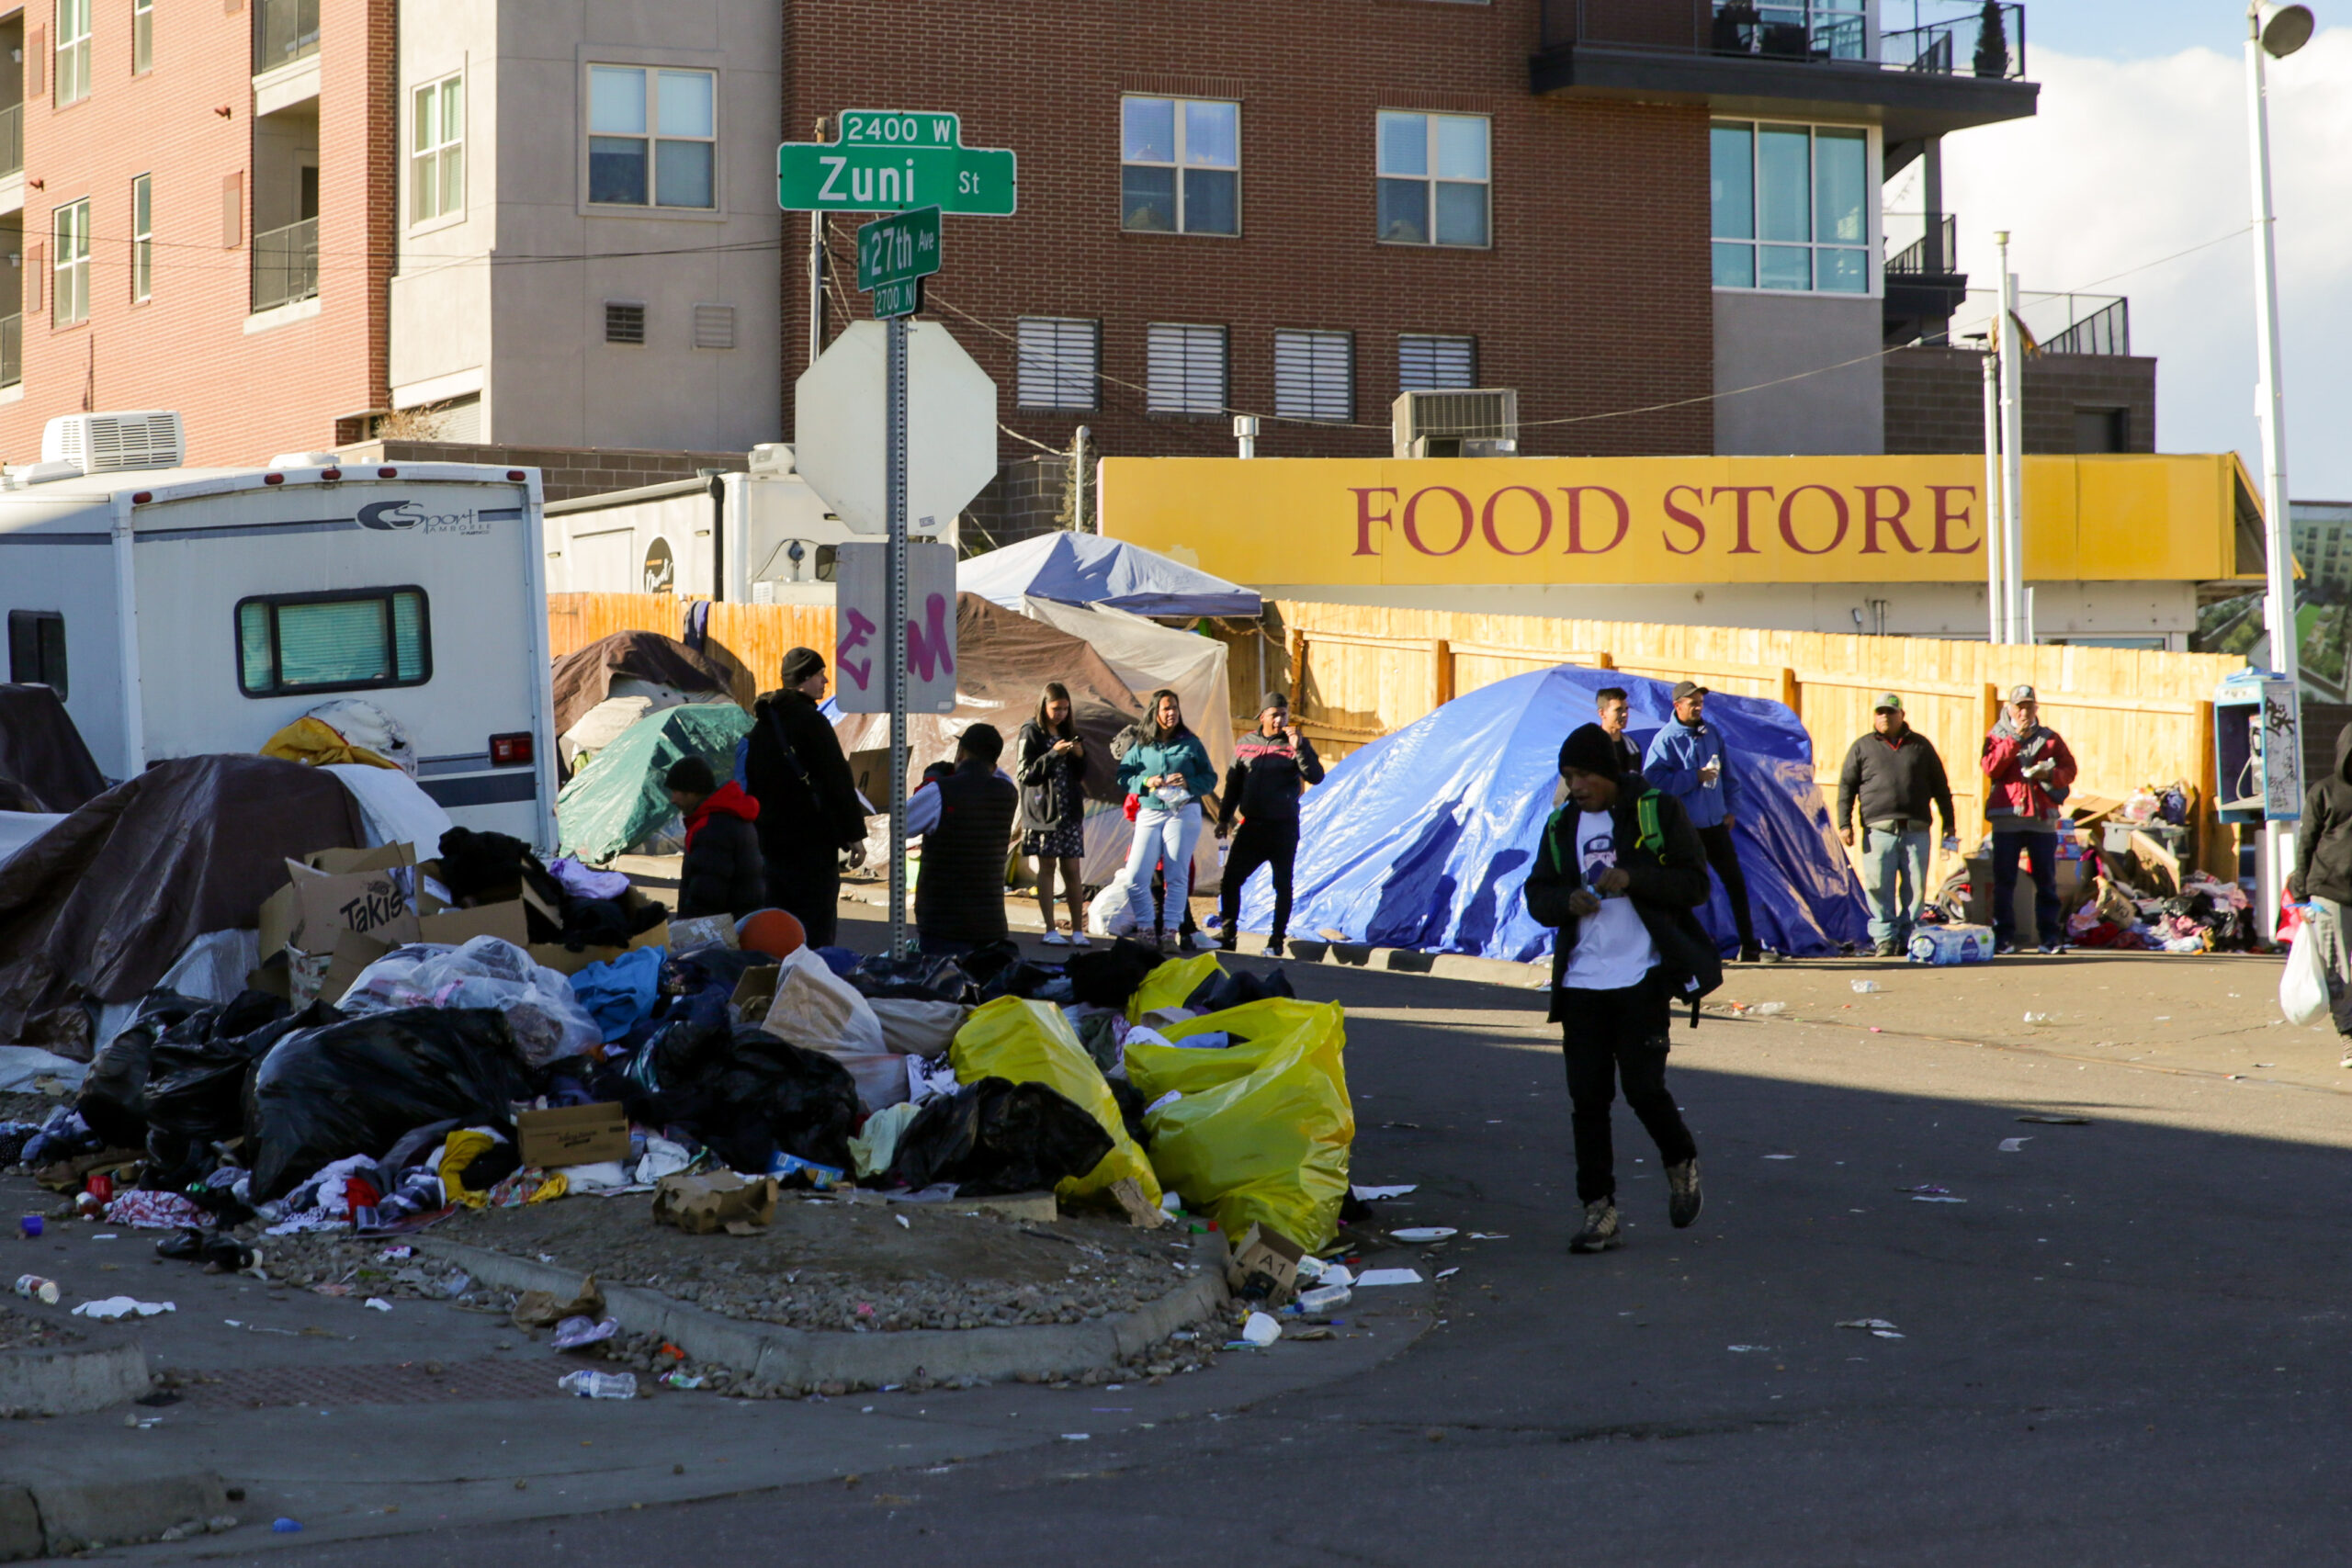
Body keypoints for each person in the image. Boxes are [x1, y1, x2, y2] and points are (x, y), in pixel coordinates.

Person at [1524, 723, 1718, 1254]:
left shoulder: (1655, 811)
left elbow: (1695, 884)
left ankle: (1680, 1161)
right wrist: (1566, 901)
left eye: (1585, 773)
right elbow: (1537, 892)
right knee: (1587, 1100)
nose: (1577, 784)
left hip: (1641, 976)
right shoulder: (1561, 824)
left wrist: (1633, 878)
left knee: (1643, 1089)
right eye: (1568, 776)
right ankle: (1599, 1210)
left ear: (1608, 772)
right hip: (1582, 982)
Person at [744, 648, 867, 949]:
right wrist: (854, 835)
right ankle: (814, 986)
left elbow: (753, 782)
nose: (825, 681)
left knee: (780, 924)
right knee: (815, 927)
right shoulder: (811, 722)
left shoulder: (763, 725)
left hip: (771, 845)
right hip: (812, 846)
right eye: (819, 674)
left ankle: (778, 981)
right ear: (803, 679)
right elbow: (838, 779)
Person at [1643, 680, 1767, 963]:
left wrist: (1730, 809)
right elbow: (1653, 782)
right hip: (1685, 830)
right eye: (1692, 703)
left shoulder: (1711, 734)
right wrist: (1693, 777)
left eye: (1700, 702)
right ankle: (1681, 948)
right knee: (1686, 890)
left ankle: (1749, 946)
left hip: (1715, 825)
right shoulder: (1666, 740)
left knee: (1735, 882)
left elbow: (1728, 776)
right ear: (1678, 706)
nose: (1698, 707)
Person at [1836, 694, 1957, 957]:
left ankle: (1910, 936)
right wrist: (1845, 824)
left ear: (1902, 715)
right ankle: (1885, 939)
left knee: (1914, 887)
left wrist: (1950, 825)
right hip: (1878, 830)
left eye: (1890, 712)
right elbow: (1847, 786)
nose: (1885, 717)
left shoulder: (1921, 746)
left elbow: (1941, 787)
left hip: (1916, 829)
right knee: (1879, 886)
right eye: (1880, 712)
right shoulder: (1863, 747)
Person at [1218, 692, 1325, 957]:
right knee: (1231, 880)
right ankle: (1228, 934)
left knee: (1282, 884)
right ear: (1262, 715)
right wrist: (1223, 818)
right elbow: (1233, 785)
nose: (1279, 720)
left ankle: (1276, 939)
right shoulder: (1246, 744)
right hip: (1252, 825)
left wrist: (1299, 747)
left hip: (1283, 827)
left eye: (1284, 714)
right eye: (1274, 714)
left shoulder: (1295, 743)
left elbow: (1316, 776)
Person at [1116, 688, 1219, 951]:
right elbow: (1123, 776)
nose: (1172, 712)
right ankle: (1147, 929)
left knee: (1176, 874)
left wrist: (1189, 782)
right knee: (1135, 875)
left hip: (1183, 812)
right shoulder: (1141, 744)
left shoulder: (1191, 743)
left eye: (1174, 707)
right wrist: (1145, 781)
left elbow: (1210, 778)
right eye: (1166, 708)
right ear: (1155, 712)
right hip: (1150, 811)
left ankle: (1169, 934)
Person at [904, 724, 1020, 957]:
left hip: (943, 921)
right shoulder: (1008, 792)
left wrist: (931, 782)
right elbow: (994, 776)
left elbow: (901, 825)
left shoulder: (940, 791)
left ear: (960, 754)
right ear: (995, 762)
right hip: (990, 920)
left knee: (944, 988)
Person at [1981, 683, 2078, 954]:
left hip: (2041, 819)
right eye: (2020, 706)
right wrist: (2013, 742)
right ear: (2010, 708)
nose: (2024, 712)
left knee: (2046, 881)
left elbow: (2070, 769)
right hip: (2007, 818)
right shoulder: (1996, 736)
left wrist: (2049, 775)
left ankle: (2049, 937)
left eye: (2029, 706)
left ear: (2036, 708)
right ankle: (2004, 937)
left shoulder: (2050, 738)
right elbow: (1991, 768)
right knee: (2004, 881)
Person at [2287, 721, 2352, 1070]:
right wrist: (2299, 894)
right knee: (2339, 970)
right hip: (2329, 893)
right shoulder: (2324, 792)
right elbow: (2306, 843)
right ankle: (2350, 1036)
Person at [1015, 683, 1091, 948]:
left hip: (1069, 811)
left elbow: (1079, 775)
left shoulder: (1069, 731)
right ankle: (1050, 928)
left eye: (1065, 708)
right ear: (1044, 706)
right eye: (1056, 708)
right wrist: (1052, 754)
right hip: (1043, 812)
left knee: (1072, 868)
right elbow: (1025, 774)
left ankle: (1078, 931)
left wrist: (1080, 756)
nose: (1060, 713)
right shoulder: (1031, 731)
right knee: (1047, 867)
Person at [663, 755, 764, 920]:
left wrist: (687, 930)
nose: (672, 799)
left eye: (676, 792)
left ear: (692, 792)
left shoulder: (712, 828)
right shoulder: (727, 817)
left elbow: (708, 893)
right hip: (741, 921)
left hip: (724, 930)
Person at [1595, 687, 1644, 777]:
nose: (1625, 714)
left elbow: (1637, 783)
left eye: (1626, 709)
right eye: (1618, 710)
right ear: (1602, 713)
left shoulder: (1632, 747)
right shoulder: (1589, 746)